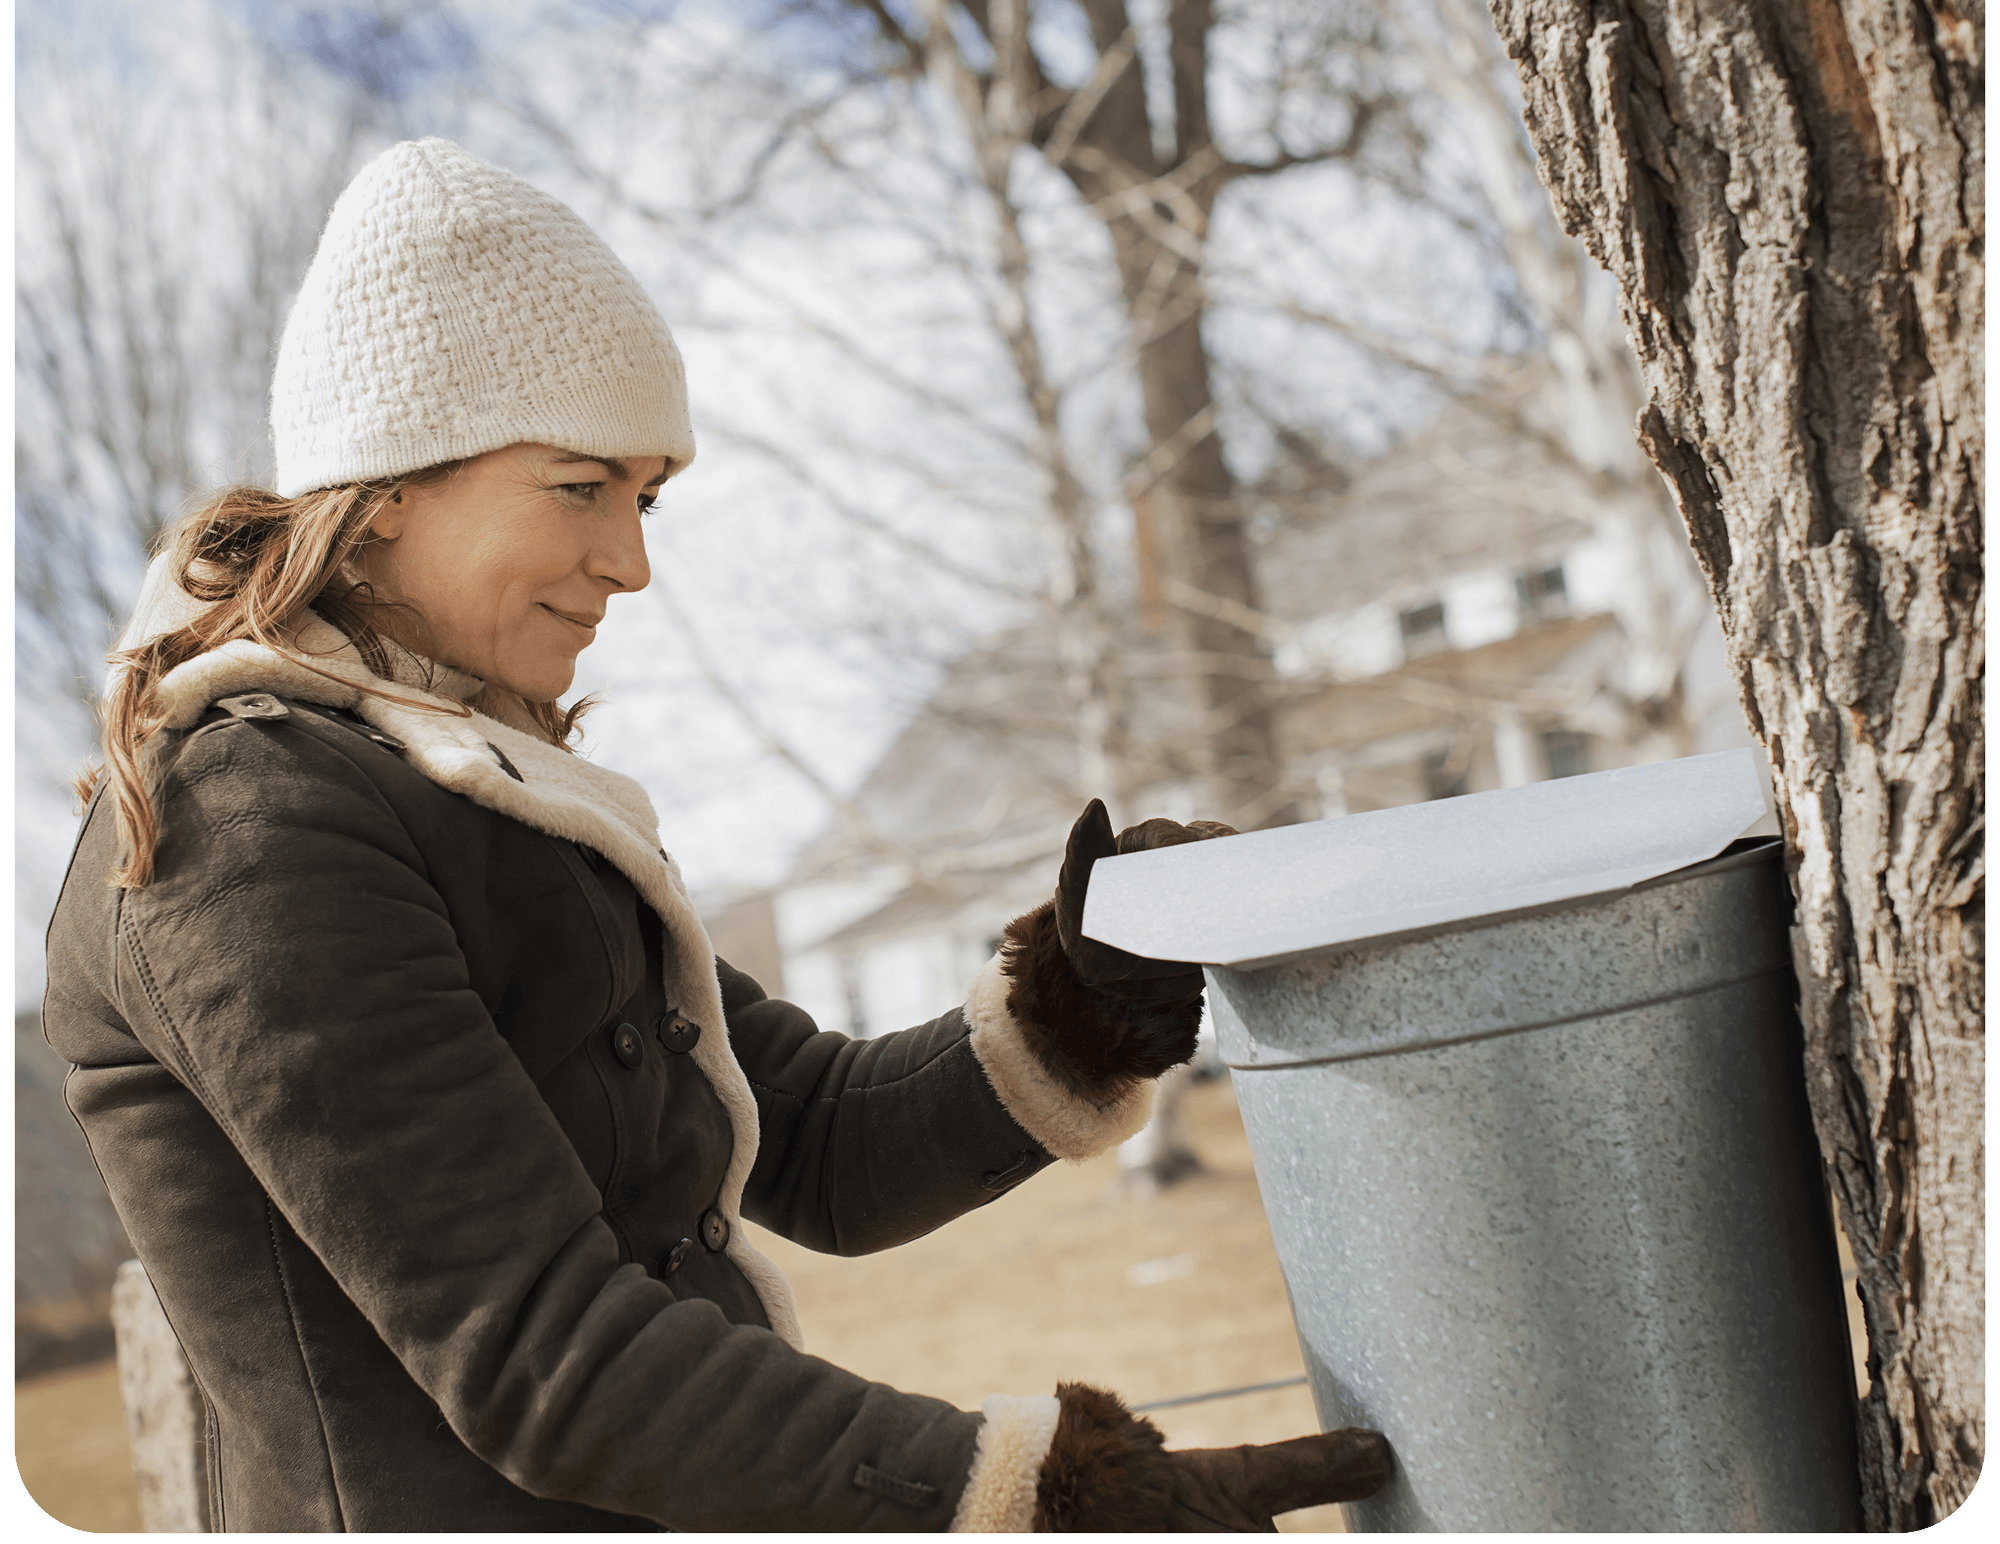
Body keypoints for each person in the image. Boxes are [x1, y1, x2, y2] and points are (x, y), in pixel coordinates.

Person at [42, 138, 1392, 1532]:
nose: (631, 563)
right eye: (581, 486)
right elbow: (540, 1354)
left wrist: (1082, 1004)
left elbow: (807, 1131)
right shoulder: (249, 824)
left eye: (647, 496)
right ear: (388, 486)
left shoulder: (478, 792)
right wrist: (1047, 1503)